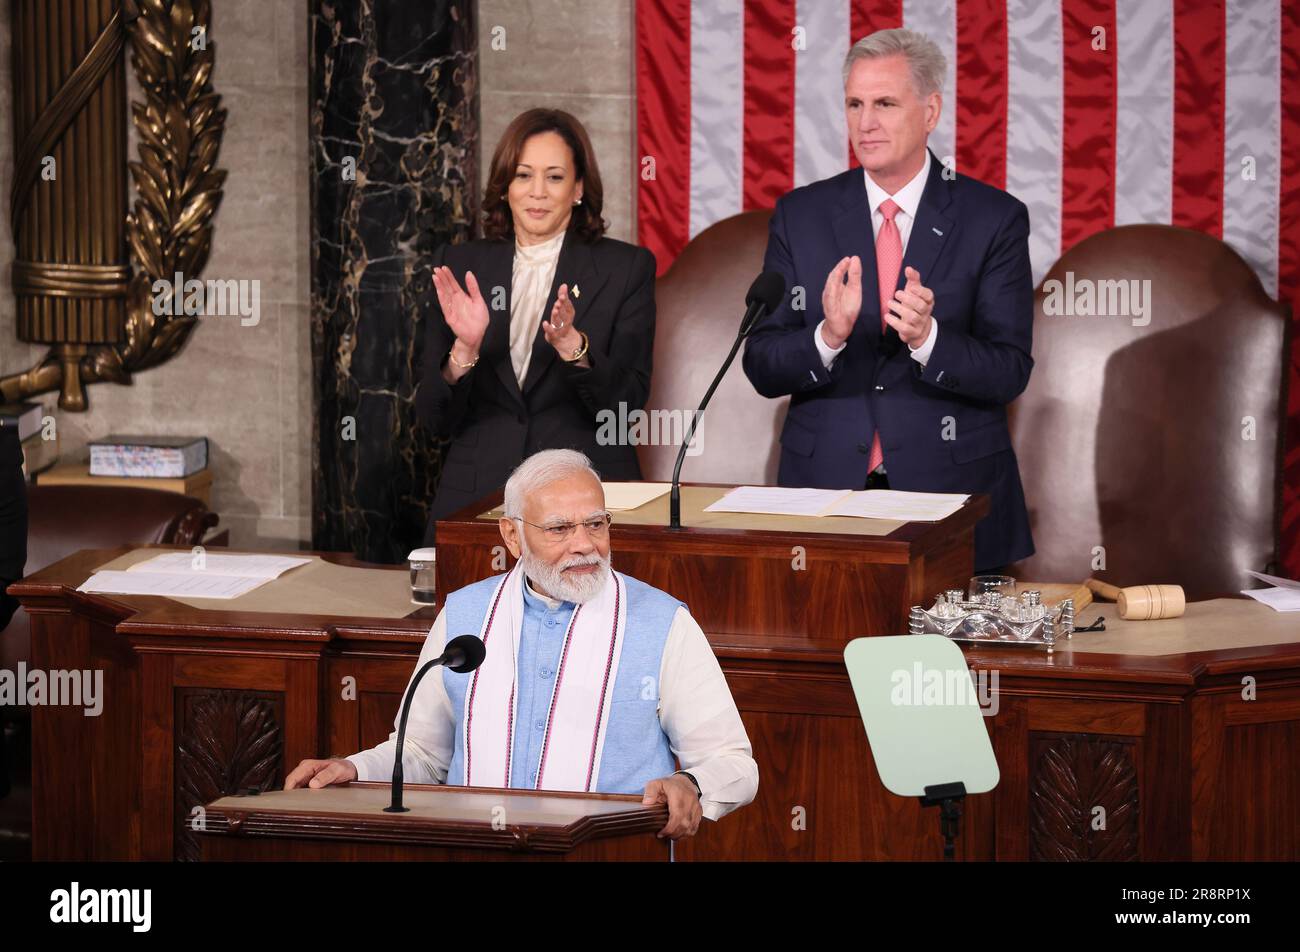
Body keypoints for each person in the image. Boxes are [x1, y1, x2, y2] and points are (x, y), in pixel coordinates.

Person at [288, 449, 758, 840]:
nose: (584, 545)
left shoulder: (662, 622)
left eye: (595, 524)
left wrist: (690, 782)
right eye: (559, 529)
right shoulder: (465, 616)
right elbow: (426, 756)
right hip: (476, 850)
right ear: (512, 535)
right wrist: (354, 769)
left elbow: (733, 763)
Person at [741, 28, 1034, 572]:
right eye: (854, 103)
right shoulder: (801, 215)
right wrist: (826, 337)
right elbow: (761, 363)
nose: (865, 122)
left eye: (884, 103)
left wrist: (930, 340)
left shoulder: (992, 218)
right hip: (824, 498)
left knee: (945, 660)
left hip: (951, 497)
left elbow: (1010, 370)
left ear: (930, 111)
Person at [414, 109, 656, 544]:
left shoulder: (626, 268)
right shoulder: (461, 265)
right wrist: (465, 349)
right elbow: (434, 419)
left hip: (584, 498)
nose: (537, 192)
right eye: (524, 175)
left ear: (579, 188)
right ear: (505, 185)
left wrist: (573, 347)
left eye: (555, 177)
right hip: (478, 495)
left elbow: (626, 408)